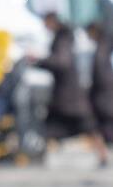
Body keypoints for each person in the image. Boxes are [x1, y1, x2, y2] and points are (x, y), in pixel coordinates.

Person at [33, 11, 107, 164]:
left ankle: (102, 154)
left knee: (87, 125)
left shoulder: (63, 38)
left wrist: (39, 61)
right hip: (67, 93)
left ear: (52, 21)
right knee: (53, 125)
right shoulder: (65, 36)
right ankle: (41, 156)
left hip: (69, 94)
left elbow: (62, 62)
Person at [86, 19, 113, 162]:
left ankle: (103, 155)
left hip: (104, 96)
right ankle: (102, 155)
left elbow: (101, 75)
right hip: (103, 95)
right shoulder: (103, 46)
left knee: (97, 126)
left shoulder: (102, 48)